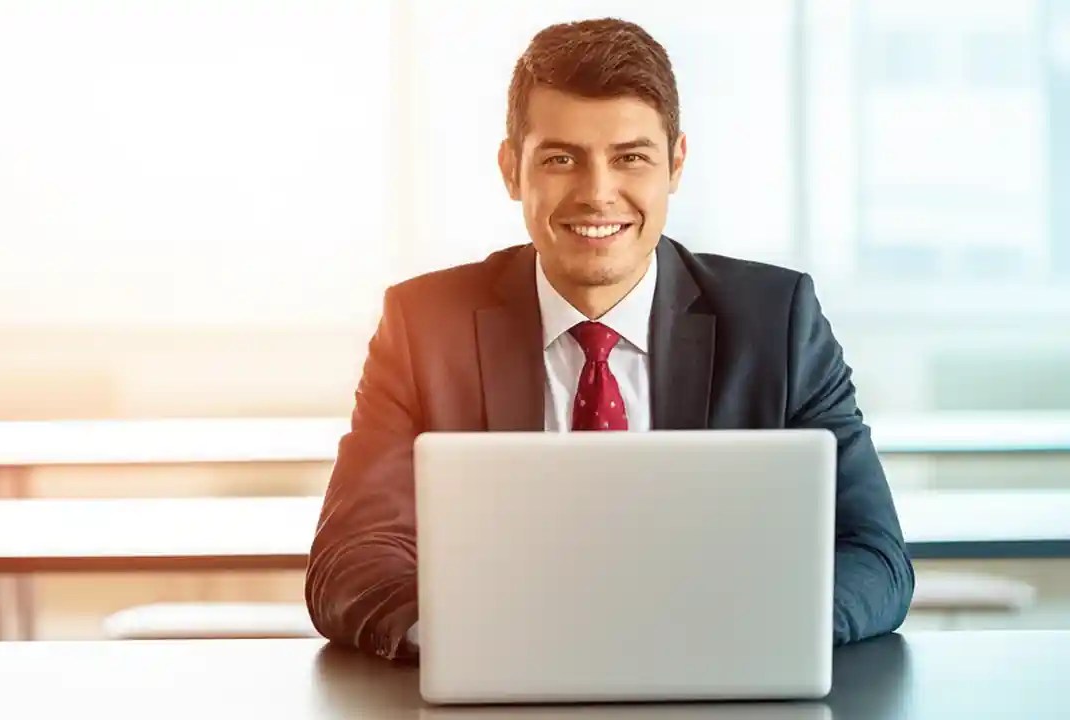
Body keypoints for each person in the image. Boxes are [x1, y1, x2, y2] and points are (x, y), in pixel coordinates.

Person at [305, 17, 914, 661]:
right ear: (512, 169)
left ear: (675, 164)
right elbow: (351, 555)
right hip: (503, 686)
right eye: (561, 159)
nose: (598, 195)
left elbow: (874, 555)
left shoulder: (778, 322)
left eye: (631, 158)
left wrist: (749, 633)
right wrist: (469, 639)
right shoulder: (423, 325)